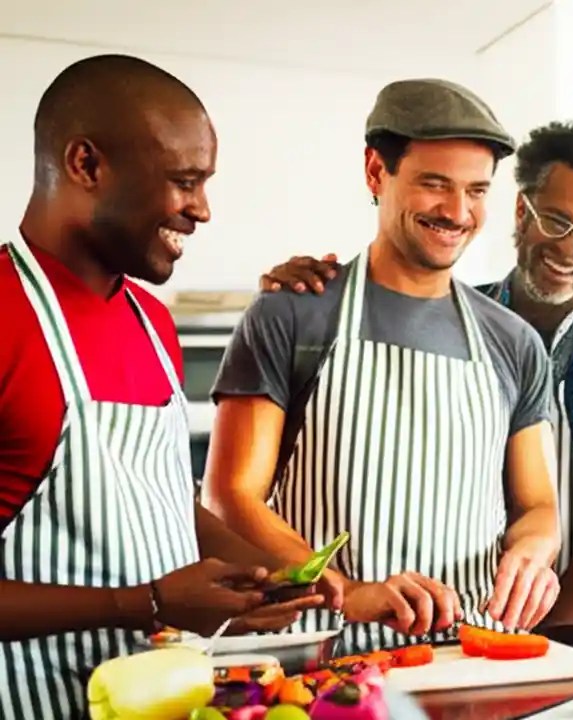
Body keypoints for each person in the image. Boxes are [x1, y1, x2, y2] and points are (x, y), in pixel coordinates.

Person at [0, 54, 328, 719]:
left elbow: (155, 501)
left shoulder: (151, 322)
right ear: (87, 165)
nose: (202, 210)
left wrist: (274, 581)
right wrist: (144, 602)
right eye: (185, 181)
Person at [259, 122, 573, 627]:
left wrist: (538, 644)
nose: (571, 248)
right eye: (557, 220)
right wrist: (302, 299)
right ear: (522, 213)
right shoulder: (467, 322)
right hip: (461, 620)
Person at [202, 78, 561, 653]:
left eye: (476, 190)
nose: (457, 211)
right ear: (376, 172)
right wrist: (346, 589)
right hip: (323, 657)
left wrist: (533, 550)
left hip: (468, 657)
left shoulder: (513, 342)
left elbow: (538, 505)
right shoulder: (290, 315)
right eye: (434, 185)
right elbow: (230, 498)